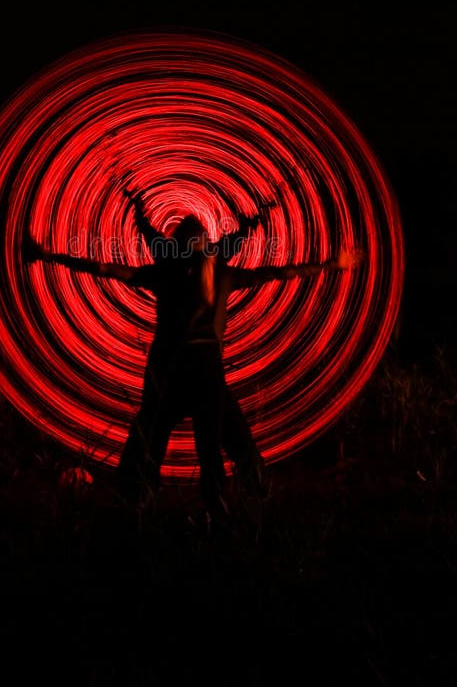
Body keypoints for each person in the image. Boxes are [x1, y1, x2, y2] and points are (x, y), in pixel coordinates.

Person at [22, 189, 363, 527]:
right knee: (218, 442)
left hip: (168, 367)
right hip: (206, 368)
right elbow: (278, 271)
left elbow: (106, 267)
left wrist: (50, 256)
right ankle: (233, 510)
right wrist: (332, 264)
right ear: (207, 243)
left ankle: (137, 507)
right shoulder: (222, 272)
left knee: (149, 440)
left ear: (176, 245)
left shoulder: (166, 271)